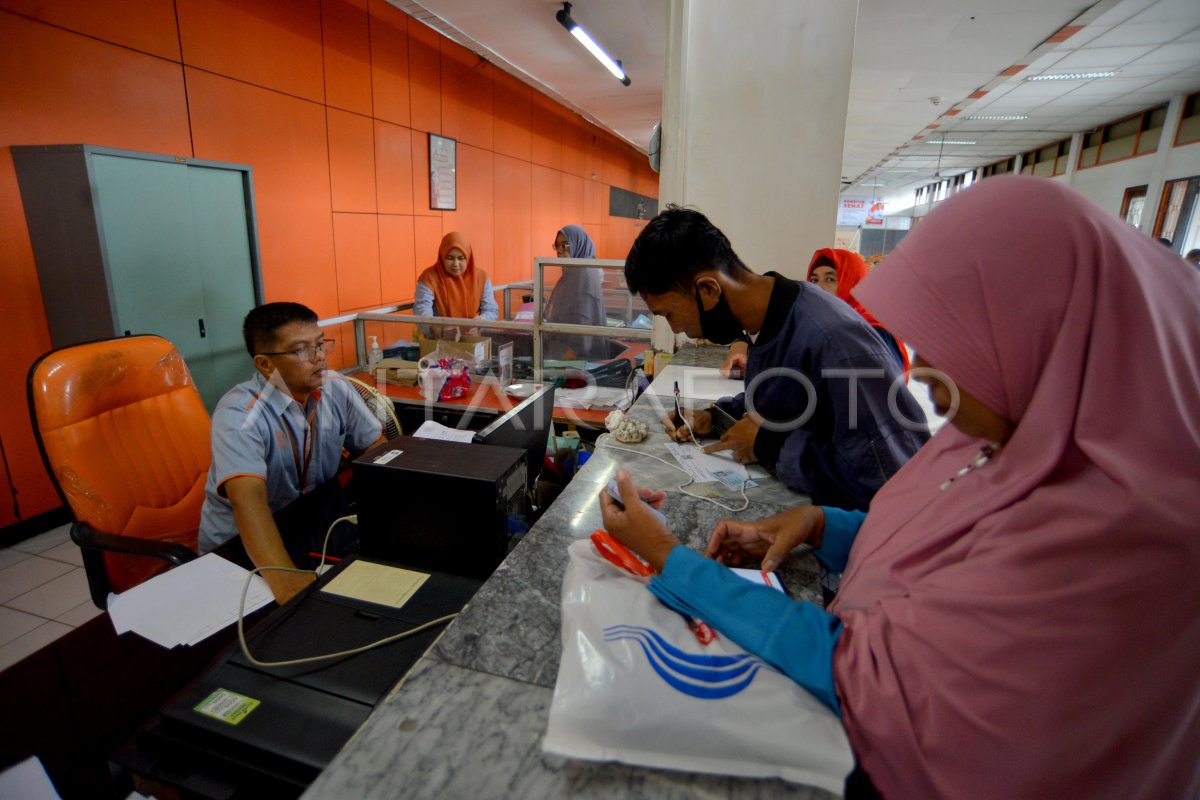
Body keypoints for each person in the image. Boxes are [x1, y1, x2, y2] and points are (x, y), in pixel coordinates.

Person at [600, 176, 1200, 799]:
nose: (930, 384)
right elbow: (937, 513)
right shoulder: (1023, 432)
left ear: (1044, 333)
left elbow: (868, 650)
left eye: (958, 345)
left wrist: (671, 556)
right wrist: (821, 524)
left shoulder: (1109, 554)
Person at [623, 205, 928, 511]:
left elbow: (895, 477)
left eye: (670, 314)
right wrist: (715, 417)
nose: (678, 330)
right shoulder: (770, 319)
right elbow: (788, 397)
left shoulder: (834, 342)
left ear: (708, 289)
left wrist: (768, 445)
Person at [198, 302, 383, 604]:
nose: (319, 357)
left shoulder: (336, 387)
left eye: (321, 344)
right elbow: (249, 504)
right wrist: (284, 578)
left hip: (309, 521)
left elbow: (377, 449)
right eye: (301, 350)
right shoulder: (239, 415)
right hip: (242, 548)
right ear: (265, 364)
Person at [806, 248, 909, 372]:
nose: (818, 287)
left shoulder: (873, 332)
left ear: (853, 282)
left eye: (830, 279)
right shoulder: (823, 325)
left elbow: (883, 387)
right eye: (814, 280)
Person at [543, 224, 611, 360]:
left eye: (565, 245)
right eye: (557, 246)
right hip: (571, 352)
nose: (559, 251)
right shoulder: (574, 270)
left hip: (577, 356)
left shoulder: (582, 272)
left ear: (578, 245)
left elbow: (581, 321)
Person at [413, 231, 499, 339]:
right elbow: (421, 311)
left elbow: (491, 310)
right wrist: (438, 329)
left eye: (461, 258)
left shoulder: (481, 278)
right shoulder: (428, 278)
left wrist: (480, 322)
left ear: (468, 256)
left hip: (472, 340)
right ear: (442, 256)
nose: (455, 264)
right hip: (439, 343)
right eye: (450, 258)